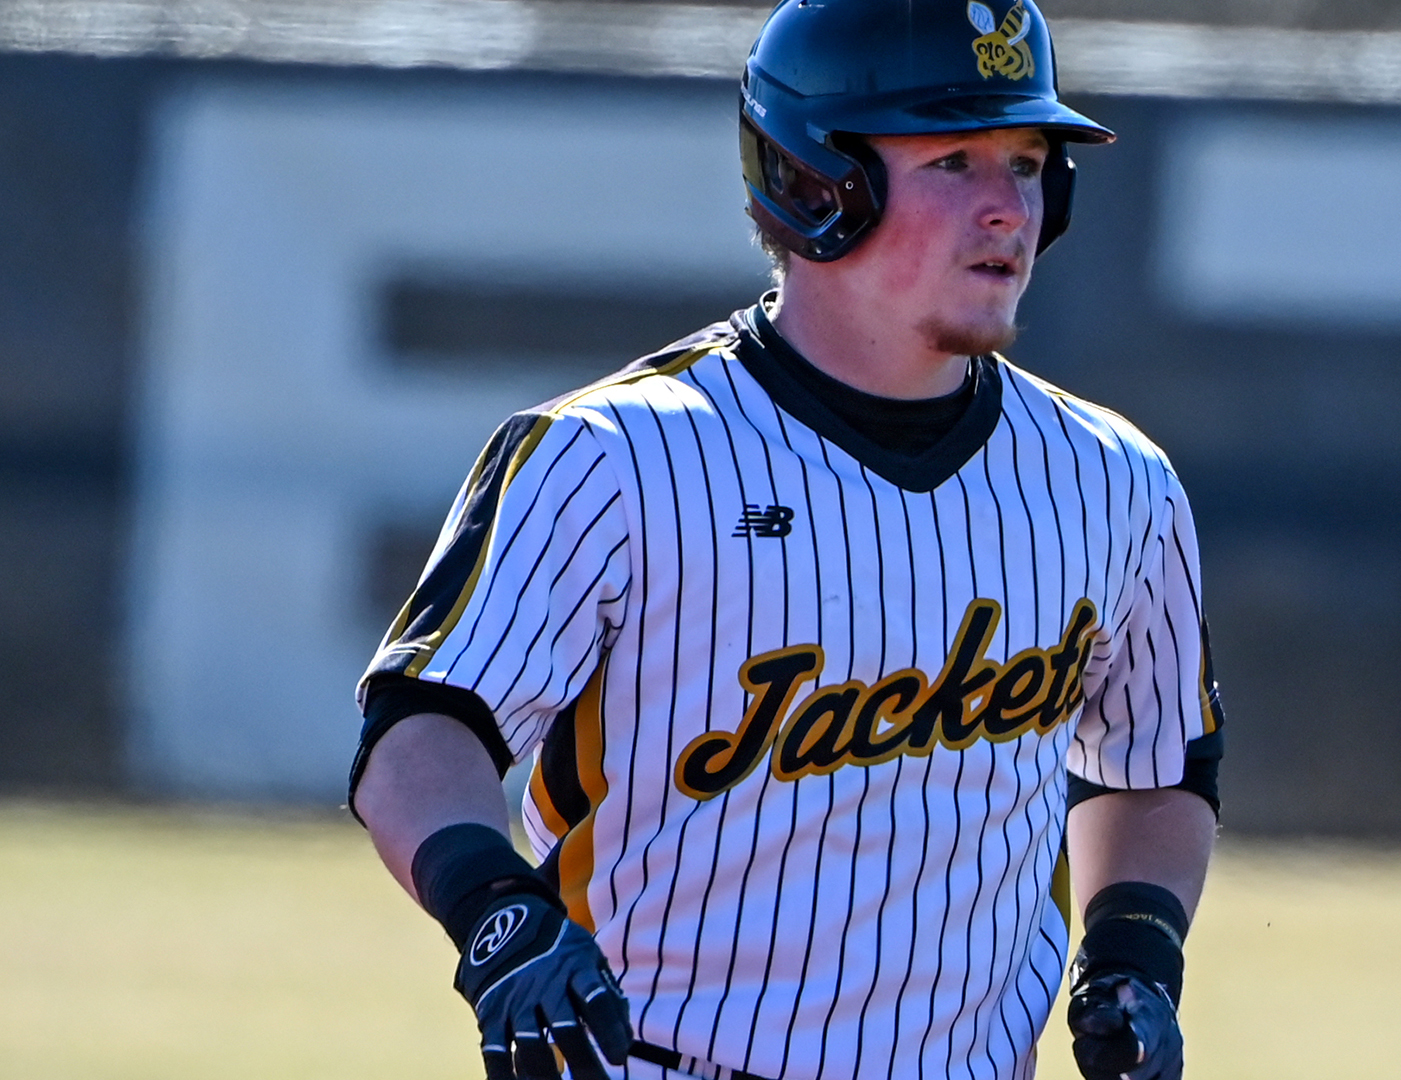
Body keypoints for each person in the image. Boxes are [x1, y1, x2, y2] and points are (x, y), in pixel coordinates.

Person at [348, 0, 1224, 1077]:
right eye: (954, 159)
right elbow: (424, 726)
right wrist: (494, 913)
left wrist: (1134, 948)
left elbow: (1153, 762)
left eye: (1031, 161)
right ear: (816, 185)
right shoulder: (614, 458)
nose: (1009, 209)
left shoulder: (1114, 480)